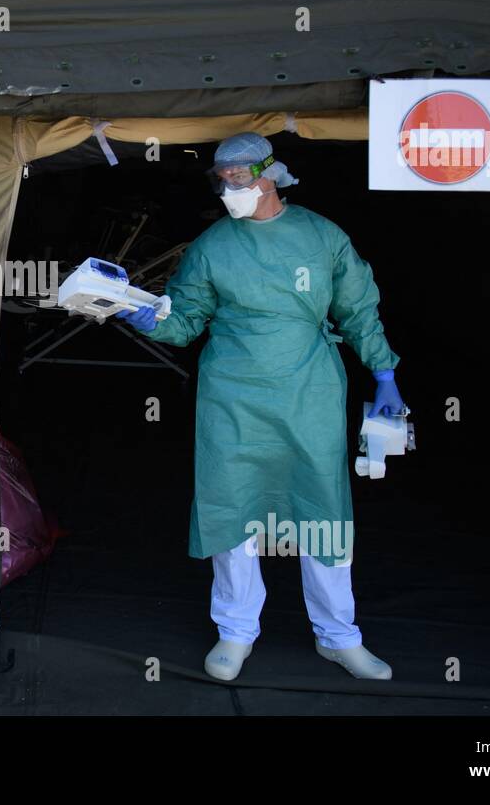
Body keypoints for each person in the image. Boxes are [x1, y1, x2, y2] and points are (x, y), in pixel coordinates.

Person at [118, 132, 405, 682]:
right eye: (221, 177)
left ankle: (338, 635)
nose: (229, 186)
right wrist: (151, 318)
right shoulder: (212, 245)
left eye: (239, 176)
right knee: (233, 506)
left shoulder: (321, 238)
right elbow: (186, 319)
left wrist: (385, 372)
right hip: (232, 394)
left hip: (309, 391)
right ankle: (235, 631)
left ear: (272, 174)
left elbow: (359, 309)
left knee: (322, 509)